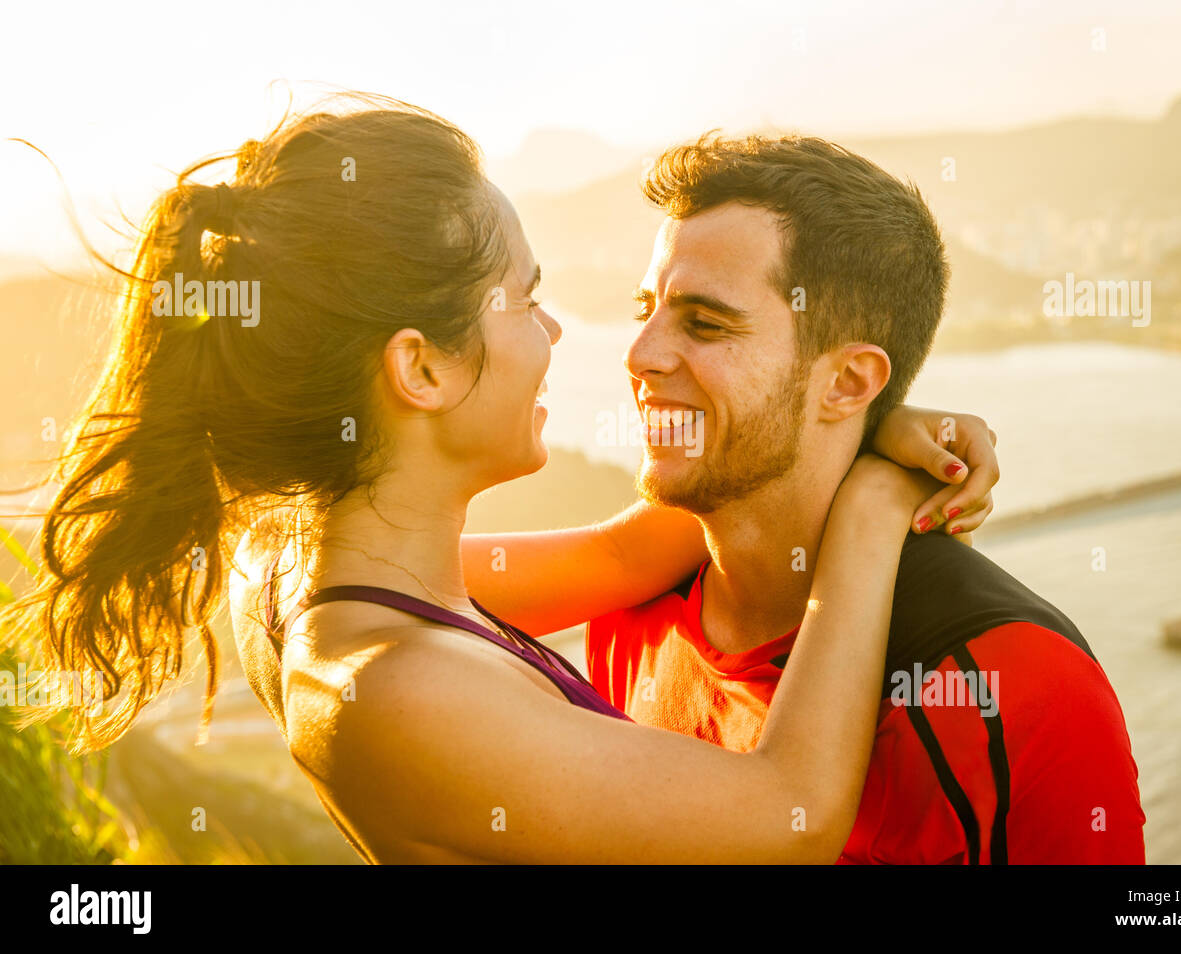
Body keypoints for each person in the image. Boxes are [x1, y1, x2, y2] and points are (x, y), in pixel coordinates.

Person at [7, 94, 1001, 864]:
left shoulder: (309, 567)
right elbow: (791, 813)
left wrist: (839, 415)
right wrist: (871, 503)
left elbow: (628, 549)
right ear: (421, 369)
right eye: (524, 299)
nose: (559, 334)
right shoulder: (393, 694)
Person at [564, 133, 1146, 864]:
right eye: (644, 308)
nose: (639, 354)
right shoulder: (630, 612)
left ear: (848, 383)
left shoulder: (1021, 684)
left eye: (704, 323)